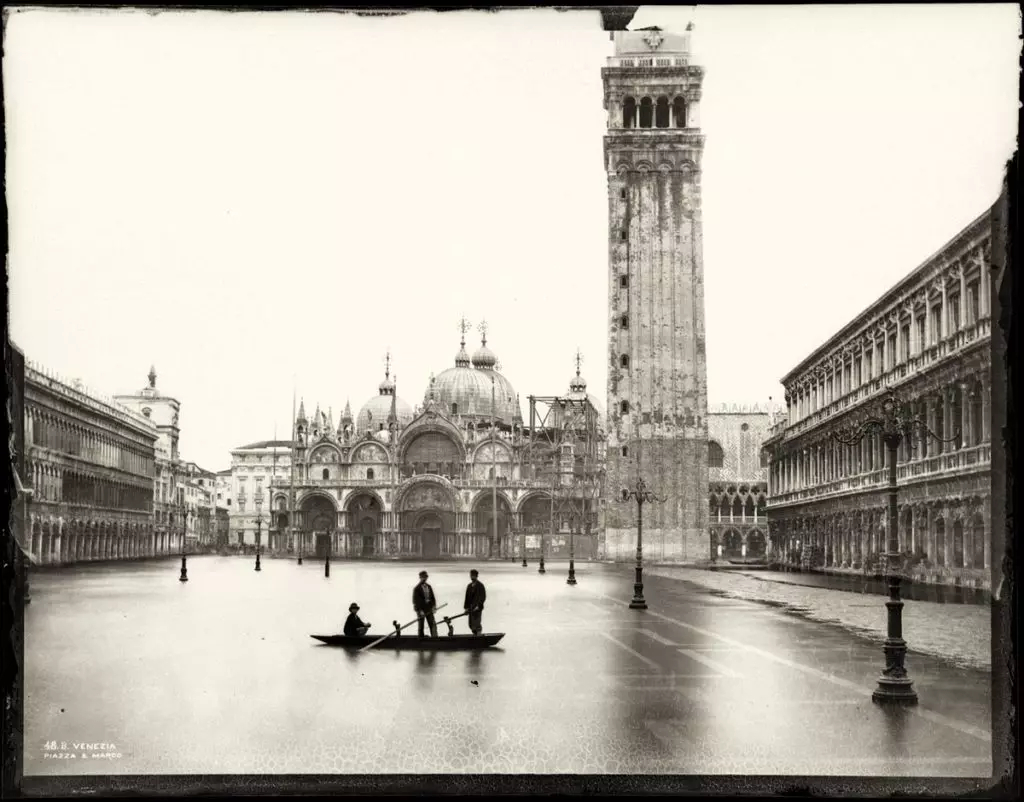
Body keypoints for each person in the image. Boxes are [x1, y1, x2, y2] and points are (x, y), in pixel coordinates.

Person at [412, 570, 438, 638]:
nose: (425, 578)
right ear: (420, 578)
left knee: (432, 624)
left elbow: (432, 597)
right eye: (423, 577)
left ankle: (435, 638)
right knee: (421, 626)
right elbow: (415, 601)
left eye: (426, 577)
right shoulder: (416, 588)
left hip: (429, 608)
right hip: (421, 609)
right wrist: (420, 611)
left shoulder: (429, 586)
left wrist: (434, 606)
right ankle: (421, 640)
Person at [464, 569, 486, 635]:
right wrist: (466, 608)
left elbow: (483, 597)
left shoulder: (480, 585)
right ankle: (475, 635)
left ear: (476, 576)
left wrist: (478, 606)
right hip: (471, 608)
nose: (472, 577)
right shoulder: (469, 586)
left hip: (477, 608)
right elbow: (466, 598)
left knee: (477, 624)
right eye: (471, 575)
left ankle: (478, 636)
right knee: (471, 624)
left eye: (473, 576)